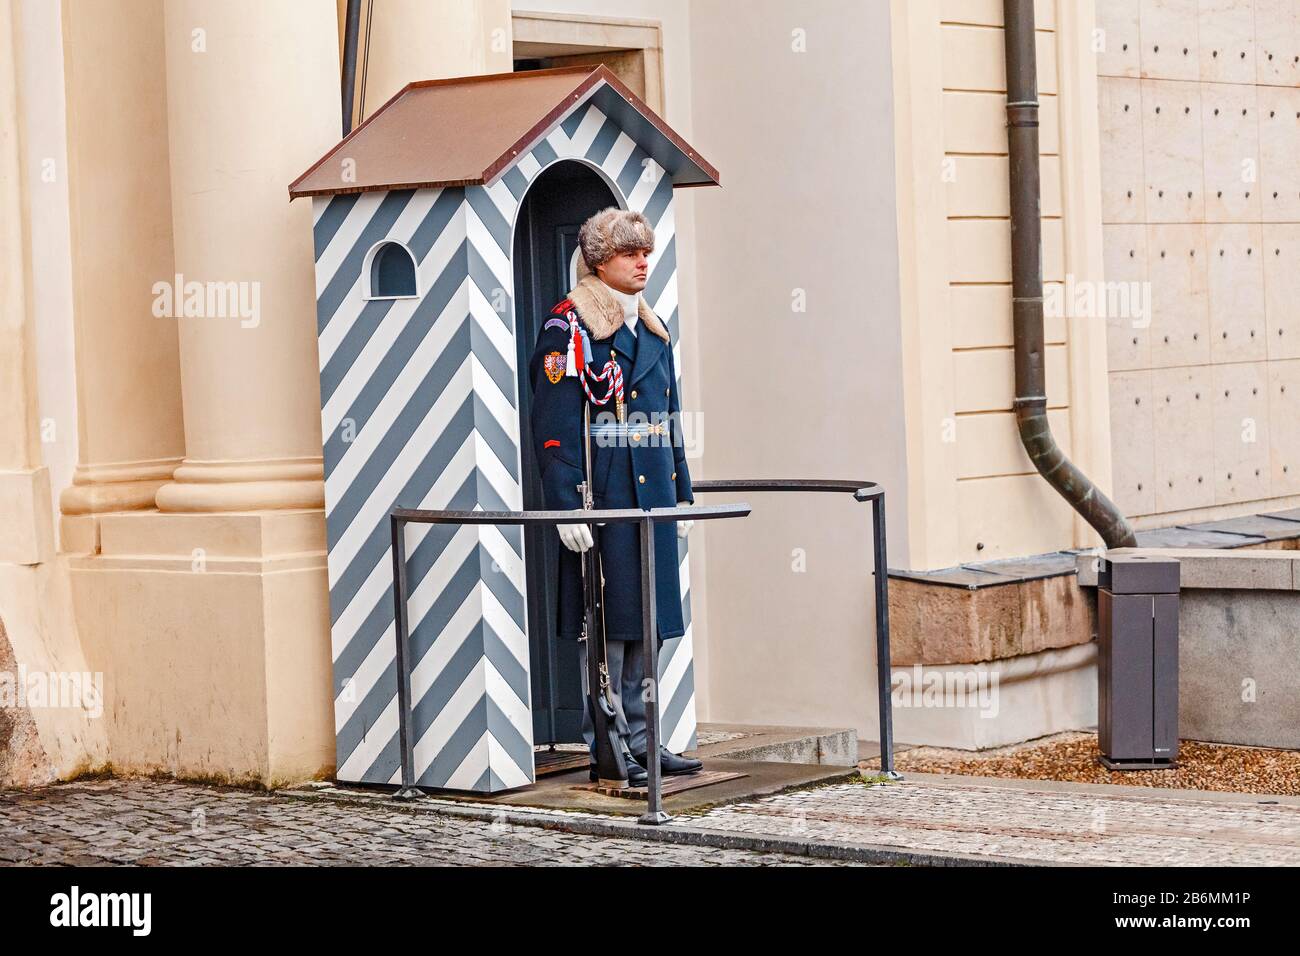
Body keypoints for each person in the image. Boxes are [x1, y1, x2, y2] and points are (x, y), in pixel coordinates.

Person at [527, 207, 703, 785]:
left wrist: (680, 491)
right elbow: (553, 425)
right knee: (605, 630)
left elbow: (669, 418)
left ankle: (648, 741)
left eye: (646, 253)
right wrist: (564, 507)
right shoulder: (569, 328)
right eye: (631, 254)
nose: (643, 263)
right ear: (600, 262)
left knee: (647, 625)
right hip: (601, 501)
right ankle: (610, 746)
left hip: (649, 499)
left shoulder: (651, 329)